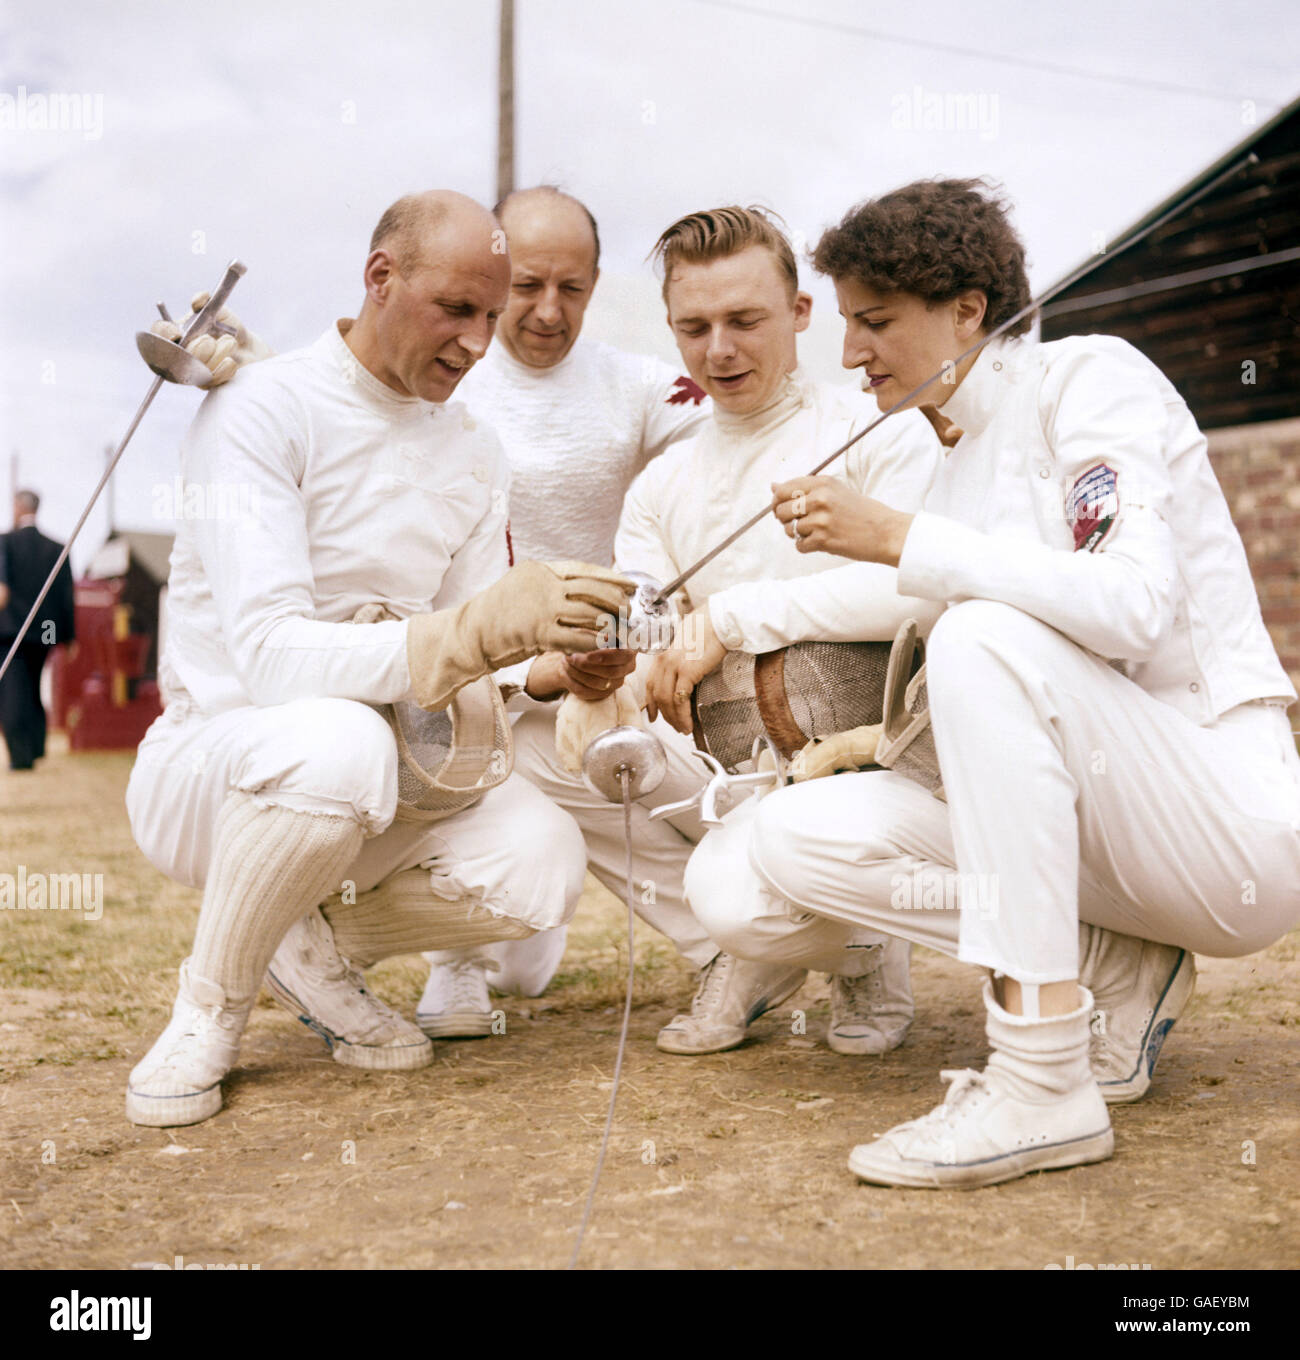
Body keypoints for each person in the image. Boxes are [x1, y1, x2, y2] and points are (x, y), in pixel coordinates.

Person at [686, 178, 1300, 1184]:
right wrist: (731, 620)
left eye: (874, 321)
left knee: (977, 633)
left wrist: (902, 540)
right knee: (782, 848)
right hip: (1115, 855)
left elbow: (1132, 603)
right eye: (846, 323)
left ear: (968, 309)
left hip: (1228, 830)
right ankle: (1111, 966)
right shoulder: (953, 465)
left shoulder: (1090, 376)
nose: (849, 354)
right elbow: (932, 615)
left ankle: (1038, 1079)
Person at [124, 189, 634, 1127]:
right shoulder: (257, 411)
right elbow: (275, 658)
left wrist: (548, 662)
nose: (480, 343)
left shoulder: (478, 451)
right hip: (219, 768)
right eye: (456, 309)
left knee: (540, 858)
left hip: (383, 785)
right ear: (380, 277)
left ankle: (294, 944)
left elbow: (470, 661)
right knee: (336, 743)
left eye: (491, 314)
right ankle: (209, 1005)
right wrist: (481, 629)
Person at [511, 205, 944, 1055]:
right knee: (548, 747)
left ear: (800, 314)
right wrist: (607, 672)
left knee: (812, 800)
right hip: (719, 759)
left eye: (745, 321)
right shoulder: (663, 484)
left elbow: (921, 586)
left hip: (867, 753)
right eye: (695, 327)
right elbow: (648, 630)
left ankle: (859, 949)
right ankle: (732, 952)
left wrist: (735, 616)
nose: (720, 350)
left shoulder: (878, 431)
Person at [415, 185, 710, 1035]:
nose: (548, 311)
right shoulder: (444, 381)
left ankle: (724, 941)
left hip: (592, 661)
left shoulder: (641, 386)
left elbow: (735, 418)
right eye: (529, 285)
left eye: (572, 289)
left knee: (601, 769)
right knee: (468, 769)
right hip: (473, 656)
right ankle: (459, 963)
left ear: (594, 283)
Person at [0, 490, 76, 771]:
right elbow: (66, 595)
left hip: (11, 629)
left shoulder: (4, 541)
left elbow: (2, 588)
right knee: (33, 686)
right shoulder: (55, 547)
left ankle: (21, 758)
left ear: (19, 506)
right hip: (46, 629)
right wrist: (68, 637)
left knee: (13, 693)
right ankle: (36, 747)